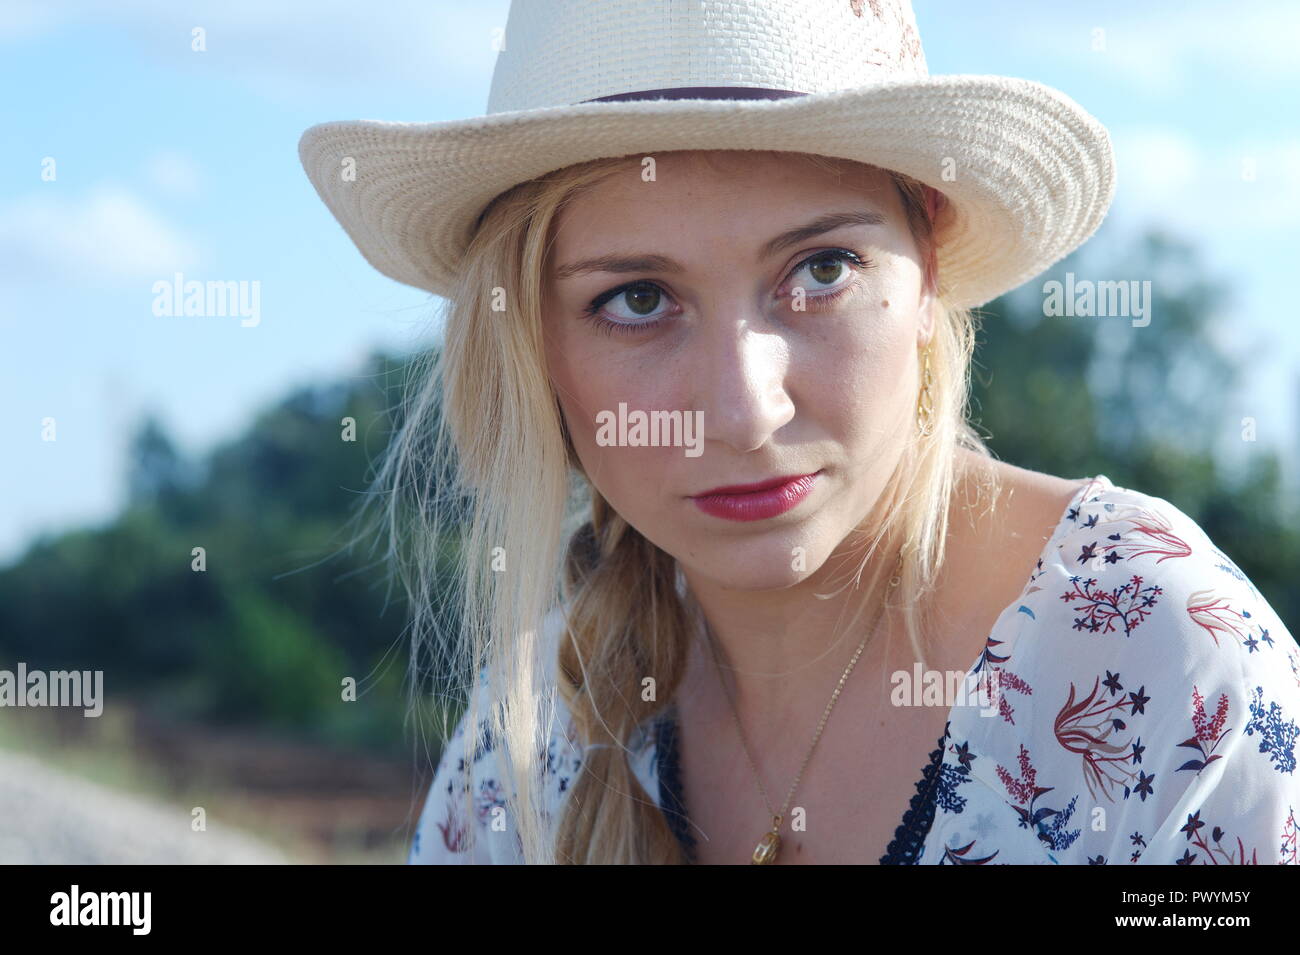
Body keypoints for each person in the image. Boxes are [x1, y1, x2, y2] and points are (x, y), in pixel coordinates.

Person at [299, 0, 1300, 864]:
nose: (743, 412)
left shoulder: (1159, 657)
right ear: (533, 347)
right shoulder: (528, 738)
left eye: (820, 270)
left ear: (928, 267)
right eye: (637, 298)